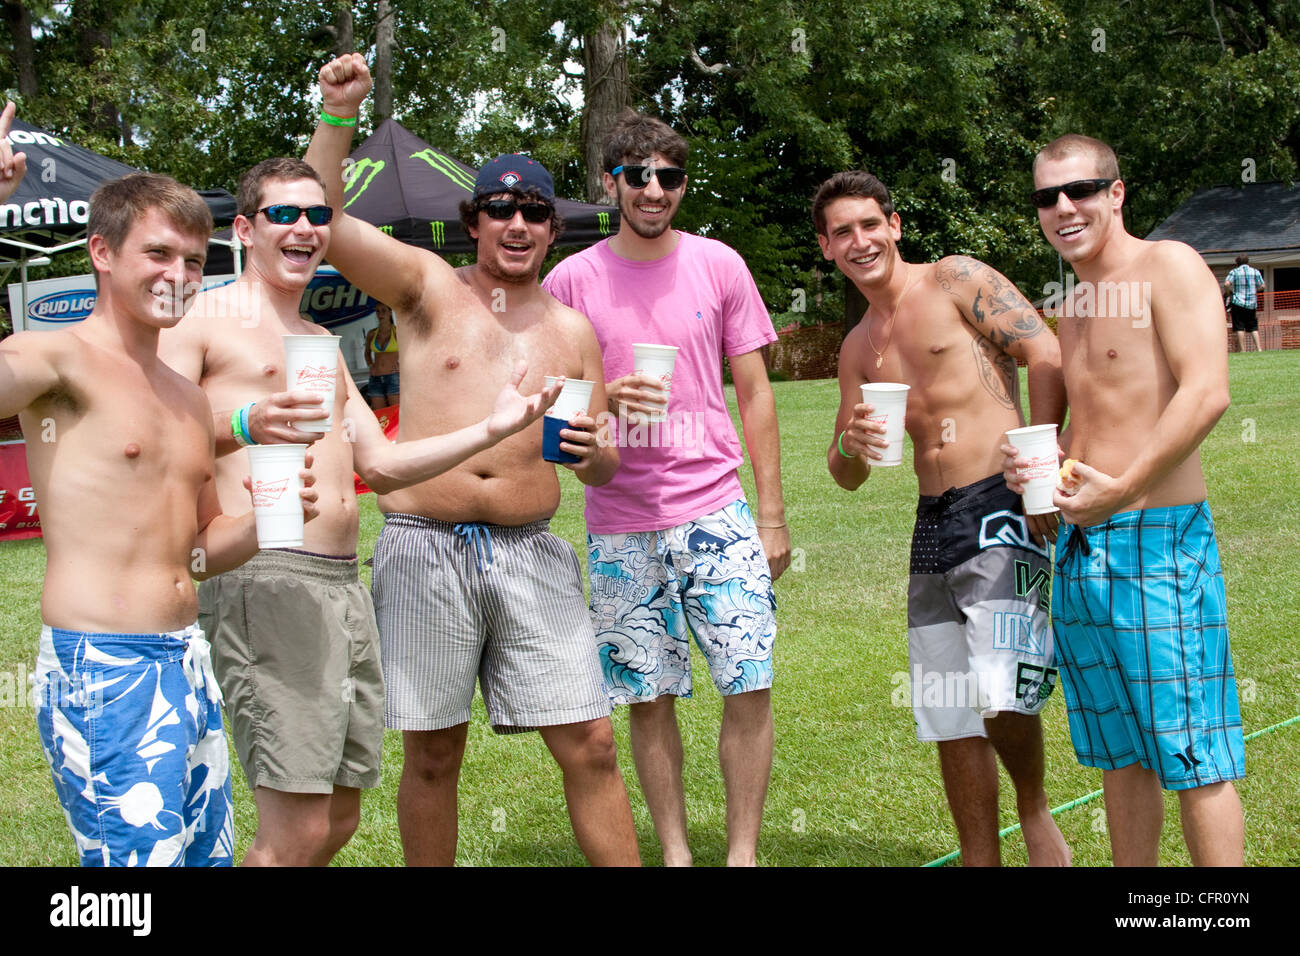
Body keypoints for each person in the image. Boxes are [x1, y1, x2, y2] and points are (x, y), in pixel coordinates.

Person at [158, 150, 562, 866]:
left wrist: (493, 428)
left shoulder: (318, 342)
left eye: (317, 214)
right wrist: (245, 427)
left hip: (341, 588)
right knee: (297, 827)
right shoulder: (202, 321)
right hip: (264, 577)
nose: (305, 228)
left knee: (340, 812)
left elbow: (379, 462)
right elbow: (151, 433)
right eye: (283, 214)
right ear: (245, 230)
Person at [302, 54, 640, 866]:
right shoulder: (424, 287)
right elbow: (318, 216)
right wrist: (338, 114)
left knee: (592, 743)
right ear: (473, 222)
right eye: (499, 210)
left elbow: (596, 467)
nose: (516, 224)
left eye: (532, 211)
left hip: (533, 552)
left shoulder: (574, 332)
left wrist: (601, 452)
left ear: (553, 227)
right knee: (432, 754)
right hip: (424, 547)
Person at [0, 102, 320, 866]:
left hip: (187, 655)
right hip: (101, 666)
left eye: (191, 259)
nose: (178, 275)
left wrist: (271, 516)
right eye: (158, 255)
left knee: (201, 860)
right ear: (102, 253)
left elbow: (203, 549)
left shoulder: (184, 396)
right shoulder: (56, 362)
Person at [542, 110, 790, 867]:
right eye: (637, 175)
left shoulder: (719, 264)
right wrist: (604, 398)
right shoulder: (571, 280)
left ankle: (741, 855)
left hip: (716, 504)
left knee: (747, 682)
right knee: (647, 698)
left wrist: (773, 517)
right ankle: (677, 854)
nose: (654, 190)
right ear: (609, 181)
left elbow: (756, 394)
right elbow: (556, 416)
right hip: (619, 518)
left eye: (669, 176)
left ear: (682, 185)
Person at [815, 170, 1071, 867]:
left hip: (998, 503)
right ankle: (978, 858)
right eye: (843, 231)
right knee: (949, 708)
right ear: (827, 247)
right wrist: (852, 444)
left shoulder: (956, 278)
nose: (860, 240)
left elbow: (1043, 351)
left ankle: (1035, 810)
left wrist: (1040, 469)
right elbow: (845, 474)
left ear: (894, 225)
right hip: (930, 526)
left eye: (871, 224)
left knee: (1002, 694)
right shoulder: (857, 346)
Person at [1006, 133, 1244, 866]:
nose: (1063, 207)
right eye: (1047, 197)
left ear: (1117, 192)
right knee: (1120, 752)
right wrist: (1048, 468)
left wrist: (1124, 488)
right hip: (1084, 547)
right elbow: (1096, 420)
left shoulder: (1167, 266)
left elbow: (1206, 392)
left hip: (1159, 539)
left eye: (1080, 190)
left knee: (1194, 750)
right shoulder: (1071, 307)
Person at [1223, 254, 1266, 353]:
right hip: (1252, 303)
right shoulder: (1255, 271)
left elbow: (1226, 284)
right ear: (1247, 262)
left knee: (1239, 326)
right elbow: (1263, 286)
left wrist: (1228, 293)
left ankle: (1243, 350)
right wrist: (1255, 290)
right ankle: (1259, 348)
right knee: (1253, 327)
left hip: (1238, 302)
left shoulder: (1234, 272)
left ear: (1237, 263)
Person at [364, 301, 399, 408]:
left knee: (395, 413)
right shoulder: (372, 333)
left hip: (393, 376)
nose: (380, 314)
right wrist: (370, 365)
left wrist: (402, 366)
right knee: (380, 415)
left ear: (390, 312)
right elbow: (367, 353)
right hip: (375, 378)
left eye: (383, 311)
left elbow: (409, 350)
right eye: (377, 312)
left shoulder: (397, 332)